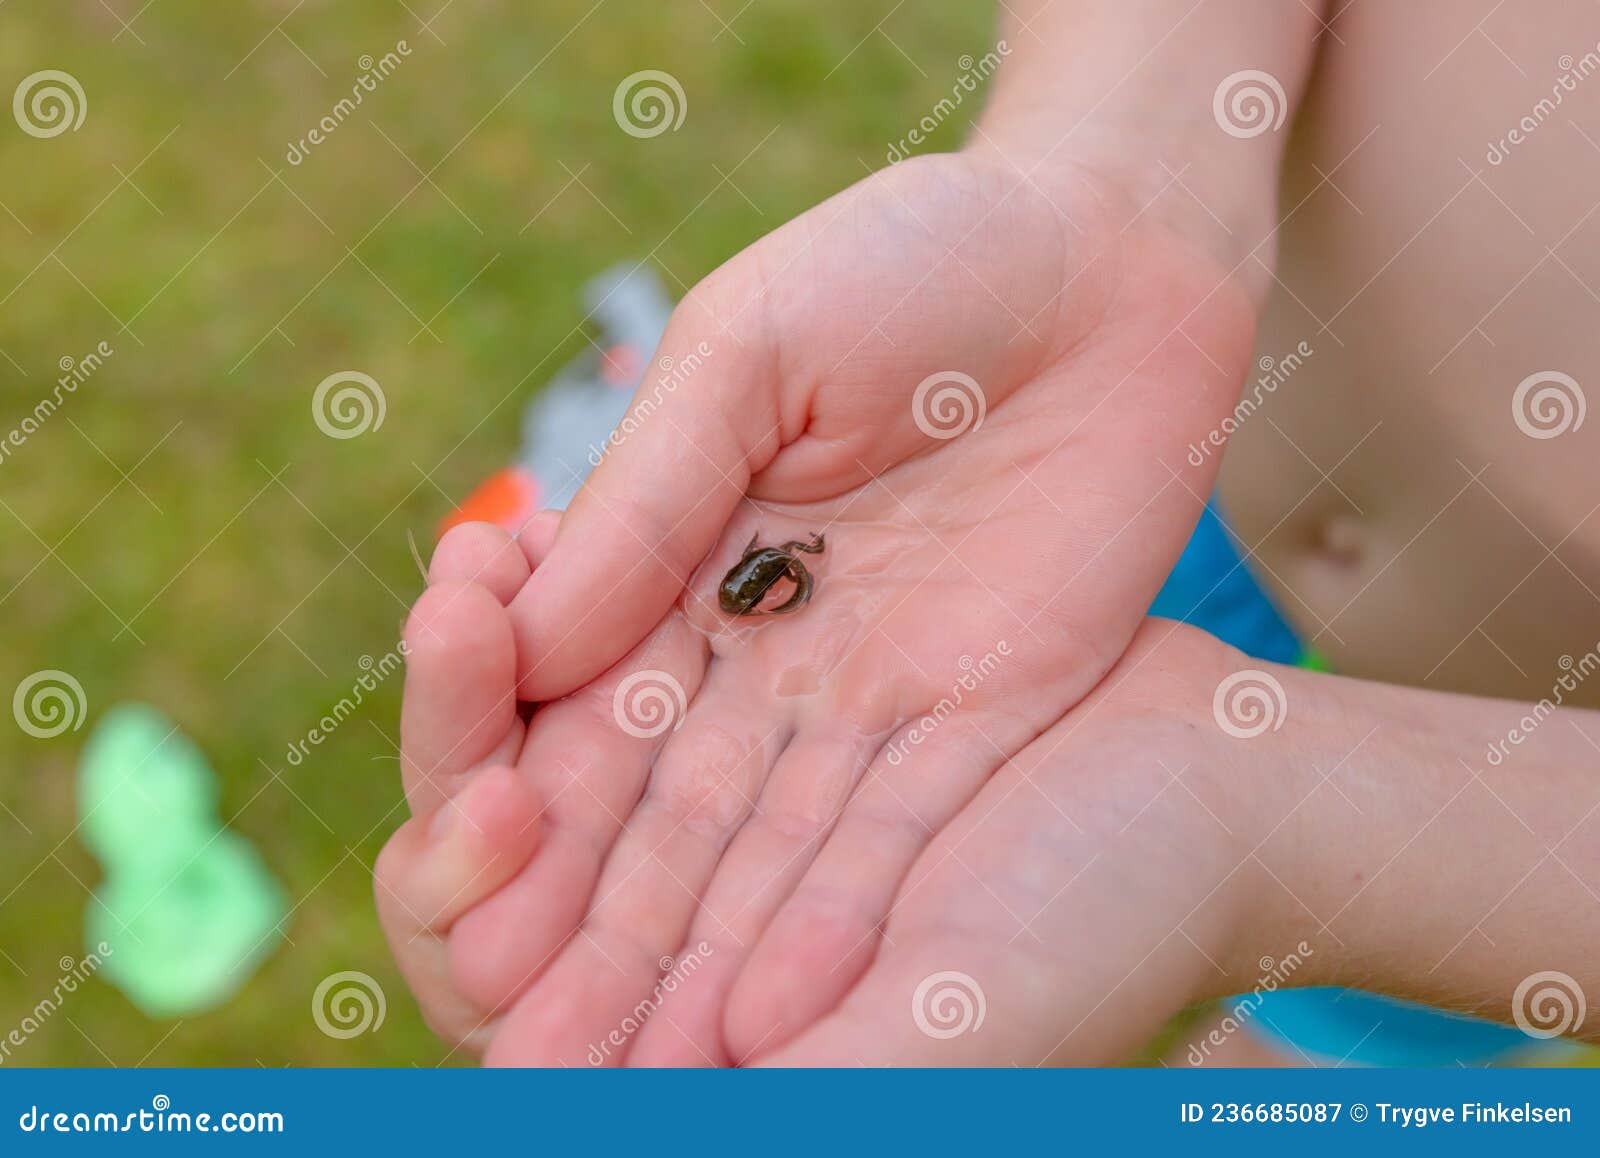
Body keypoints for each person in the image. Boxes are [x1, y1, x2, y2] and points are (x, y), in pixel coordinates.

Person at [374, 1, 1600, 1065]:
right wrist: (1108, 176)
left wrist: (1277, 821)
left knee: (1342, 1056)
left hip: (1490, 796)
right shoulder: (1052, 449)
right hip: (1118, 466)